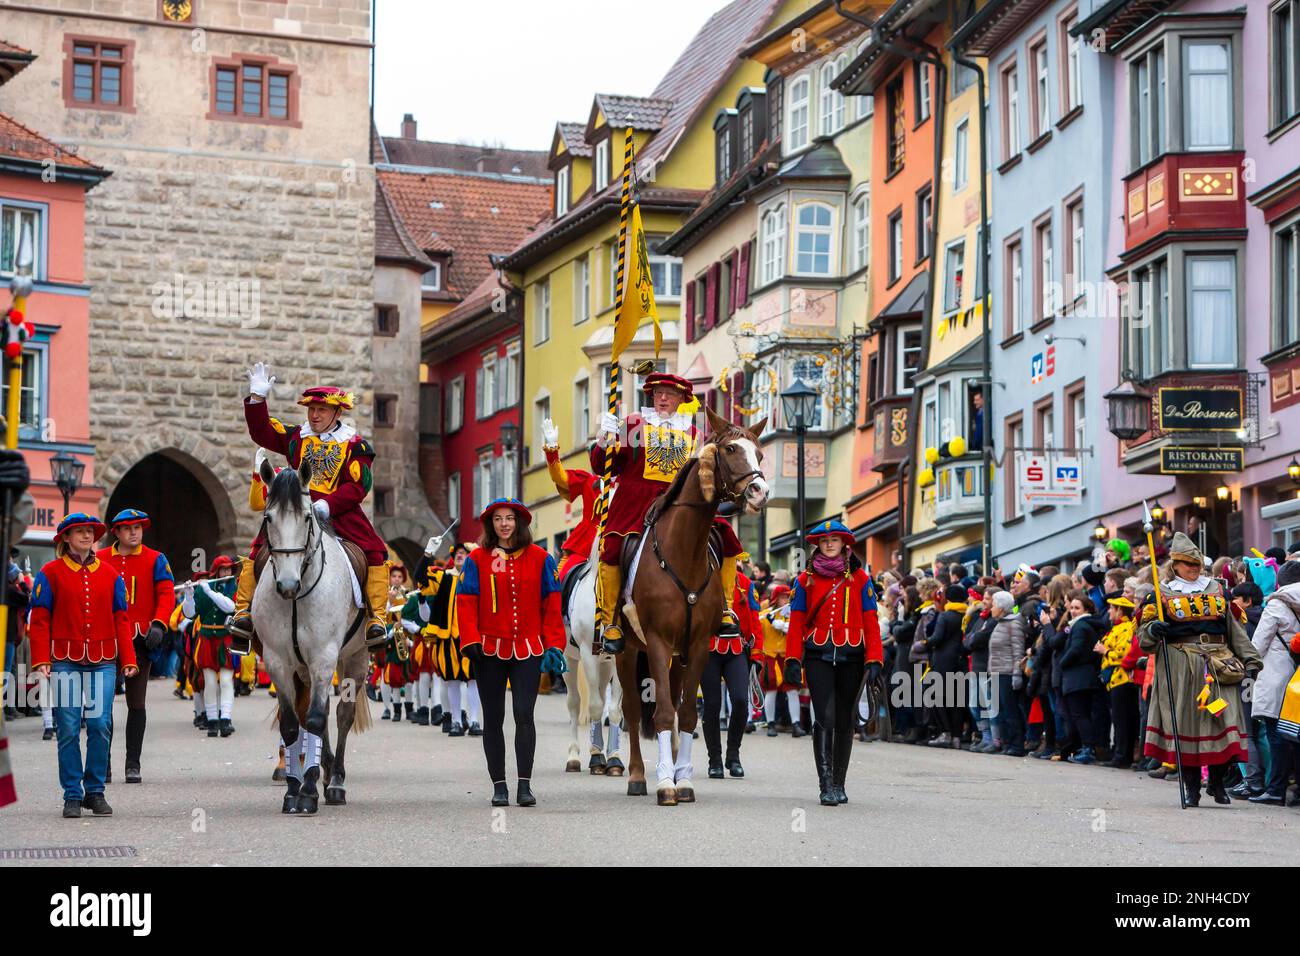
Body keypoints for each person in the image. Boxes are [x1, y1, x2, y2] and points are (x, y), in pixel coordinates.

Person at [243, 363, 389, 645]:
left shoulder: (356, 445)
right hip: (297, 510)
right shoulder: (297, 437)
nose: (314, 414)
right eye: (311, 409)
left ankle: (377, 618)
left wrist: (328, 506)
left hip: (339, 513)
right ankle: (242, 613)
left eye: (321, 409)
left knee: (375, 551)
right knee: (259, 547)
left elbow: (359, 486)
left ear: (337, 412)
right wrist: (257, 401)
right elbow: (261, 432)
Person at [591, 372, 714, 653]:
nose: (661, 398)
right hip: (636, 502)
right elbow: (602, 467)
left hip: (681, 504)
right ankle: (610, 620)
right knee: (611, 547)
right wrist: (604, 439)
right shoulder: (634, 424)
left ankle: (725, 609)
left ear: (682, 399)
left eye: (669, 394)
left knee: (726, 540)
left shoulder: (696, 436)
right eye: (657, 393)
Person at [1138, 533, 1262, 807]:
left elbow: (1234, 629)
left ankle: (1217, 783)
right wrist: (1152, 629)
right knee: (1187, 727)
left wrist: (1251, 660)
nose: (1194, 569)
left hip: (1219, 665)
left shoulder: (1218, 590)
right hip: (1182, 666)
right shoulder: (1160, 595)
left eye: (1197, 564)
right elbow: (1143, 638)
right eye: (1187, 564)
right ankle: (1191, 788)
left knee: (1226, 720)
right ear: (1176, 565)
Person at [456, 498, 566, 807]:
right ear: (491, 525)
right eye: (498, 519)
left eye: (510, 518)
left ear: (519, 522)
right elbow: (465, 602)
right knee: (493, 717)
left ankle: (525, 786)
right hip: (488, 649)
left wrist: (554, 644)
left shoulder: (542, 558)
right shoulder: (477, 559)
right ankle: (499, 786)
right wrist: (470, 639)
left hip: (529, 648)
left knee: (523, 715)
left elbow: (551, 605)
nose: (504, 524)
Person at [29, 514, 137, 818]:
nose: (87, 536)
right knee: (68, 727)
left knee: (101, 724)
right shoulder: (49, 573)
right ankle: (72, 795)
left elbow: (121, 618)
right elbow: (39, 620)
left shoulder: (112, 574)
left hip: (103, 660)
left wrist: (128, 658)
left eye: (90, 531)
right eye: (80, 532)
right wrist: (41, 659)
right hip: (64, 660)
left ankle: (95, 791)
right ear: (66, 537)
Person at [785, 520, 882, 806]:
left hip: (853, 656)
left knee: (844, 720)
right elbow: (797, 622)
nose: (829, 544)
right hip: (818, 655)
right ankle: (825, 784)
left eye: (834, 540)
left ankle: (840, 782)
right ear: (818, 545)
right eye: (824, 540)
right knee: (824, 717)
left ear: (844, 545)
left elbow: (870, 620)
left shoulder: (861, 579)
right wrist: (792, 657)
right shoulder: (804, 580)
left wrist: (874, 658)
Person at [97, 509, 175, 784]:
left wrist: (159, 624)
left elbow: (166, 594)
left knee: (137, 703)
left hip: (141, 640)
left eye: (138, 527)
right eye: (127, 527)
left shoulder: (156, 559)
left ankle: (133, 764)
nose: (134, 532)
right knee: (102, 706)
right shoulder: (101, 558)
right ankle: (101, 764)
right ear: (115, 532)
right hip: (106, 639)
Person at [1243, 561, 1300, 805]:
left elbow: (1258, 644)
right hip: (1297, 674)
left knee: (1276, 733)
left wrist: (1247, 667)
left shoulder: (1276, 604)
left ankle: (1275, 788)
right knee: (1295, 734)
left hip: (1275, 672)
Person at [702, 543, 760, 779]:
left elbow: (755, 620)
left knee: (740, 700)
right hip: (708, 649)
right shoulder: (704, 581)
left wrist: (757, 653)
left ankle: (733, 755)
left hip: (737, 647)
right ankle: (714, 759)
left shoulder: (745, 585)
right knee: (712, 705)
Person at [540, 417, 603, 582]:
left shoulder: (623, 482)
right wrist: (552, 450)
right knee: (560, 580)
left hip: (615, 538)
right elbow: (559, 477)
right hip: (586, 541)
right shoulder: (587, 480)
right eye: (595, 455)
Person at [184, 555, 239, 737]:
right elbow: (190, 614)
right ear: (216, 571)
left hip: (226, 639)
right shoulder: (203, 588)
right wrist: (189, 597)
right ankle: (212, 720)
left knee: (225, 681)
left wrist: (208, 592)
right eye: (223, 569)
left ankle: (226, 719)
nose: (227, 573)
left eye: (229, 569)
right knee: (208, 682)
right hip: (207, 638)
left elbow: (230, 607)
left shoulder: (234, 586)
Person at [1096, 596, 1139, 768]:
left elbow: (1123, 654)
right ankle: (1120, 754)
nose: (1108, 612)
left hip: (1122, 680)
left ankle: (1122, 756)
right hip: (1114, 680)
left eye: (1111, 609)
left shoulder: (1126, 628)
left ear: (1120, 610)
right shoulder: (1117, 628)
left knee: (1122, 720)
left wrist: (1104, 650)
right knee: (1120, 719)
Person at [757, 584, 801, 736]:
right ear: (776, 598)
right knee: (771, 690)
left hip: (787, 656)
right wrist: (760, 618)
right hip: (770, 656)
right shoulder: (765, 615)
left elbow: (793, 628)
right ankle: (770, 723)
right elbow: (756, 630)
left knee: (792, 689)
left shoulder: (792, 614)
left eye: (788, 597)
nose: (786, 599)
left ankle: (796, 724)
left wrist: (776, 623)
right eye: (783, 597)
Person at [987, 590, 1027, 755]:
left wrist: (1017, 674)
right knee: (1001, 711)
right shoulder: (1000, 622)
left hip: (1007, 673)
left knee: (1011, 711)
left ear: (1002, 607)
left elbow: (1018, 652)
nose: (991, 607)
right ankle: (1008, 743)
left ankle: (1017, 745)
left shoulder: (1014, 623)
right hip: (996, 673)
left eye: (994, 604)